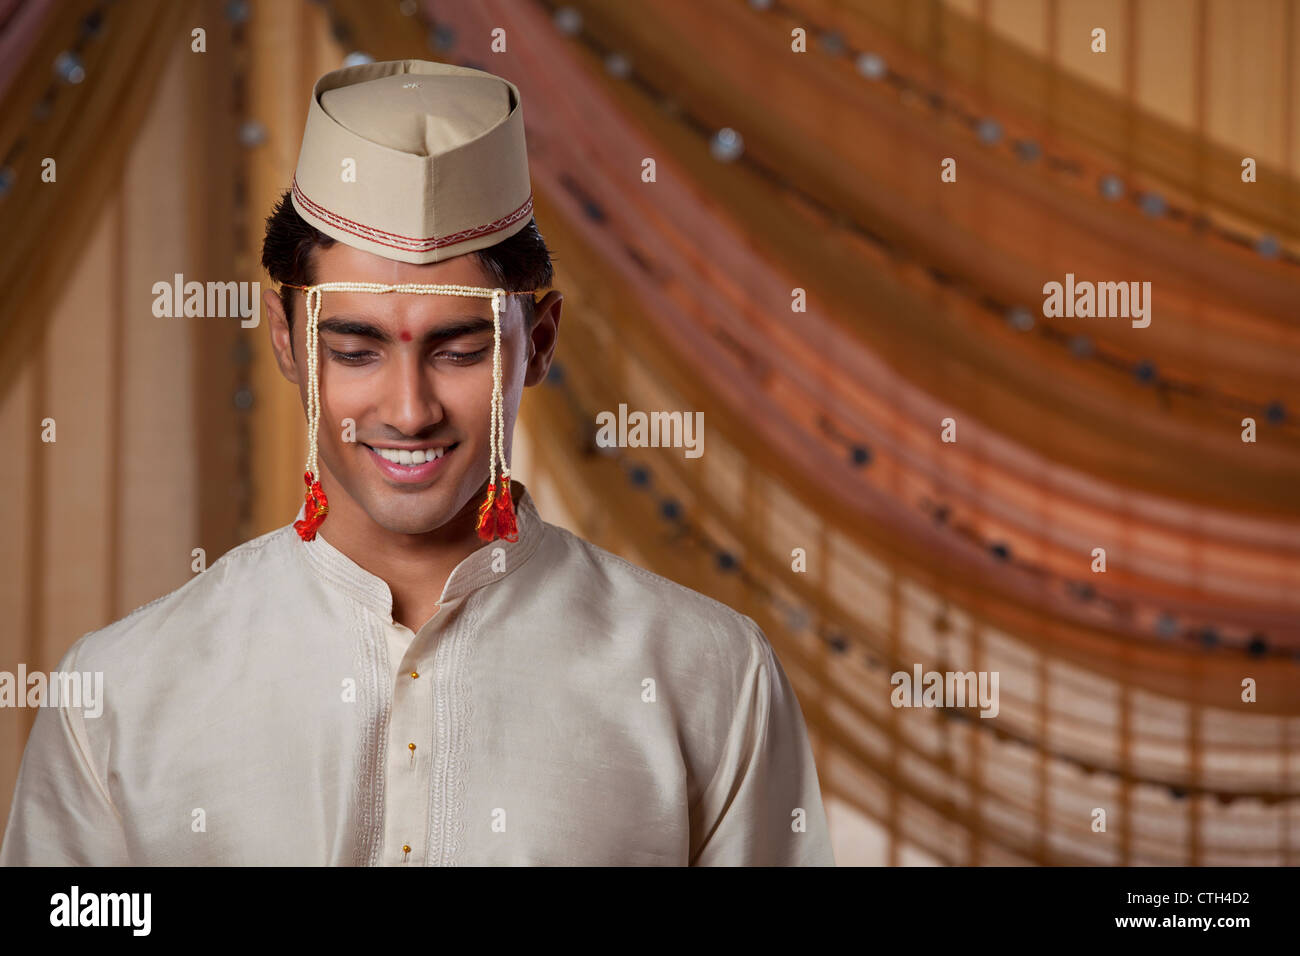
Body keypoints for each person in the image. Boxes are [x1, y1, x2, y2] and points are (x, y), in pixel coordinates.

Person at [0, 59, 834, 866]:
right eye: (357, 350)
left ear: (536, 343)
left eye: (460, 349)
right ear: (288, 342)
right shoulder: (120, 688)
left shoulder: (708, 674)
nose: (408, 409)